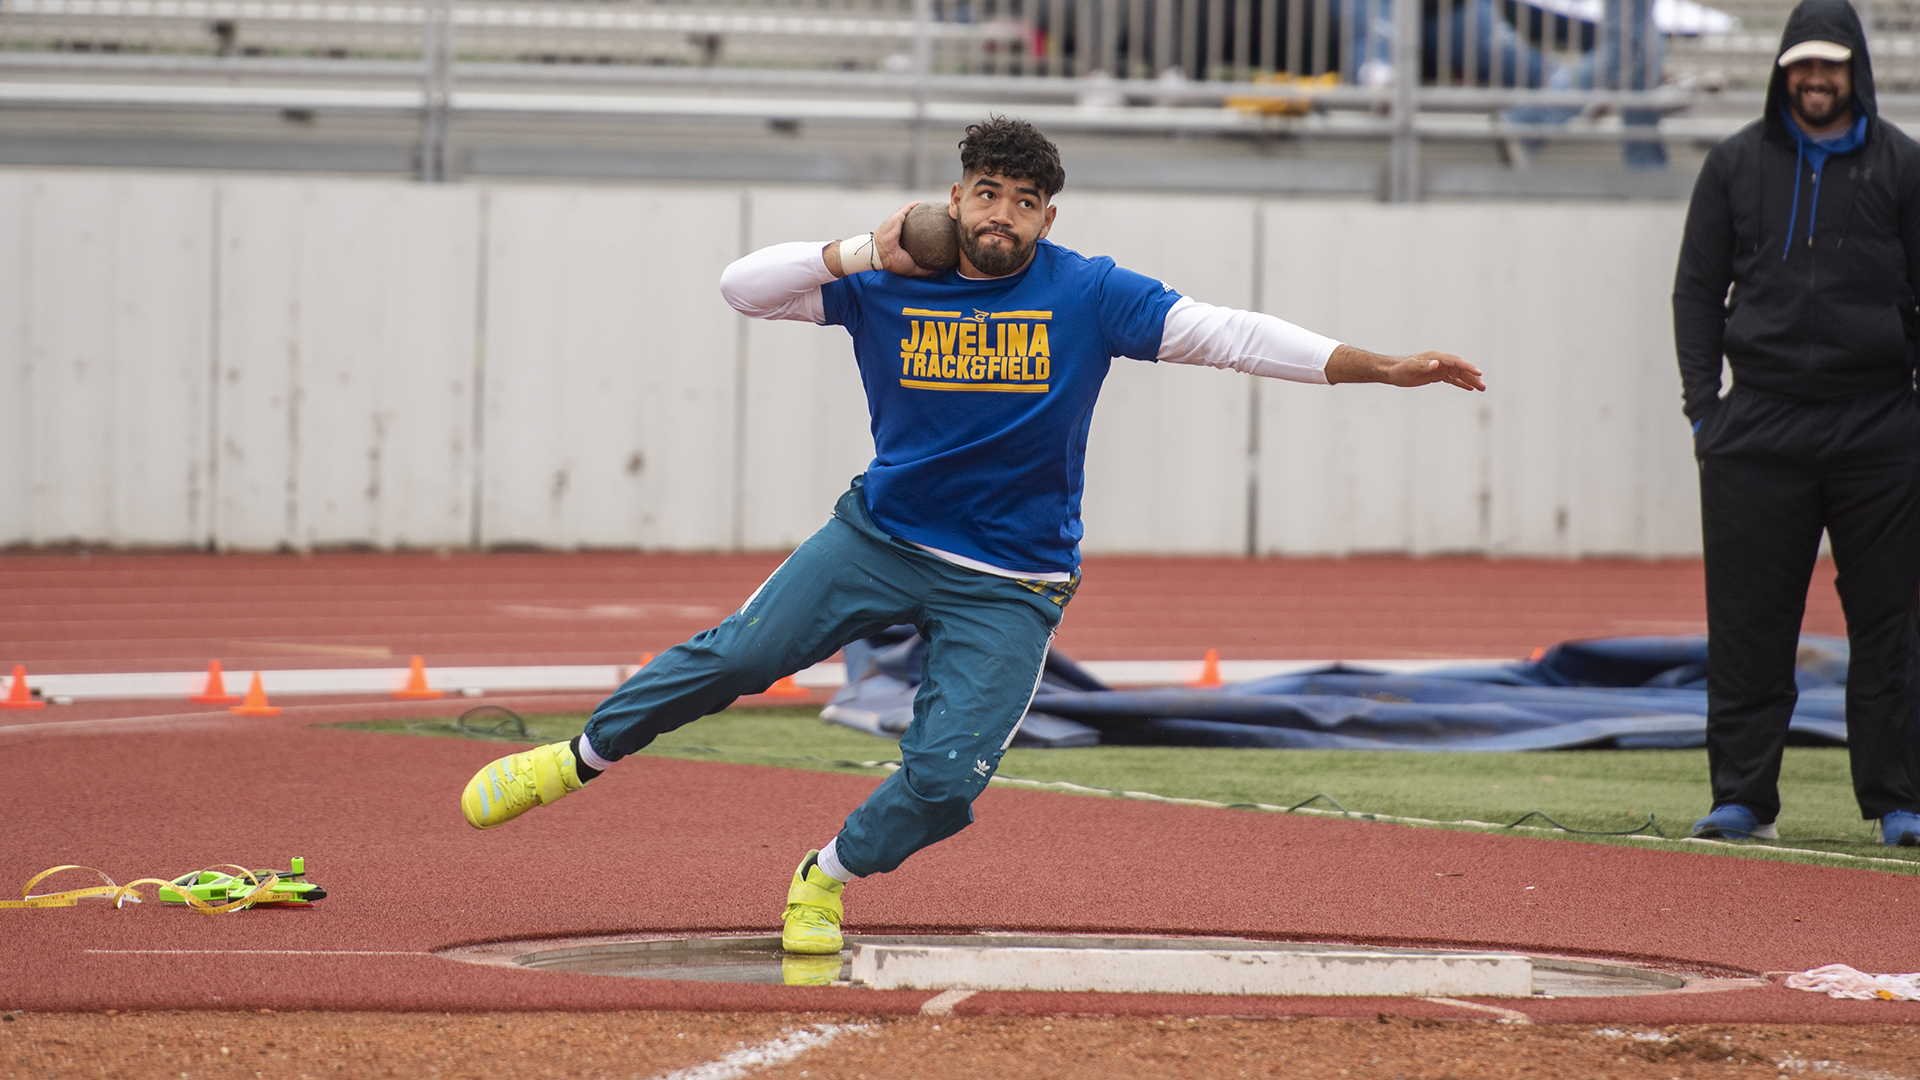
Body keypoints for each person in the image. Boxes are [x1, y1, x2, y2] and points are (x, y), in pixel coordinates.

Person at [457, 117, 1485, 959]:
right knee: (742, 655)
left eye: (1024, 201)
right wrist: (866, 250)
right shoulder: (886, 277)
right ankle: (577, 758)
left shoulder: (1087, 292)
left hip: (1011, 579)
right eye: (986, 191)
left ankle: (828, 877)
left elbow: (1233, 335)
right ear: (956, 200)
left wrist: (1383, 367)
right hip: (882, 534)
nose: (1002, 213)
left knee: (947, 782)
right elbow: (741, 287)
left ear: (1047, 218)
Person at [1673, 0, 1920, 846]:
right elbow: (1698, 293)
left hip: (1880, 426)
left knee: (1894, 622)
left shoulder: (1903, 167)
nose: (1817, 79)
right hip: (1759, 427)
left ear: (1858, 71)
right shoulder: (1735, 164)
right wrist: (1706, 413)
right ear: (1783, 71)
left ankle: (1901, 803)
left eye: (1833, 65)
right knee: (1748, 619)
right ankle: (1744, 799)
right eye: (1803, 65)